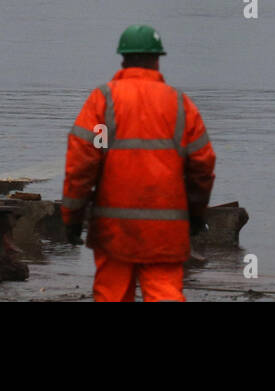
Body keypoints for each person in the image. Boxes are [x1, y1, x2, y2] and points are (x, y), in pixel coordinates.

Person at [62, 24, 216, 302]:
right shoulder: (180, 104)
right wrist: (196, 215)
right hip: (166, 230)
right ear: (158, 60)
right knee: (165, 293)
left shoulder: (103, 100)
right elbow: (203, 166)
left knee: (112, 294)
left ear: (123, 58)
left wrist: (71, 217)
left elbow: (81, 163)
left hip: (114, 230)